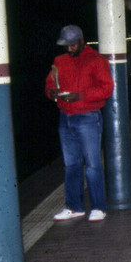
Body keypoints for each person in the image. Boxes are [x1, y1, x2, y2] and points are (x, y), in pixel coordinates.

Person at [45, 25, 114, 222]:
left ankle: (98, 207)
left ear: (82, 41)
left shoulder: (96, 60)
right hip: (65, 117)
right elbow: (50, 83)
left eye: (73, 45)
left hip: (88, 117)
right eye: (66, 46)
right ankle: (74, 207)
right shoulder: (59, 61)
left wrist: (80, 96)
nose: (69, 49)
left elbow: (106, 89)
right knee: (71, 165)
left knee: (92, 165)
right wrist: (52, 93)